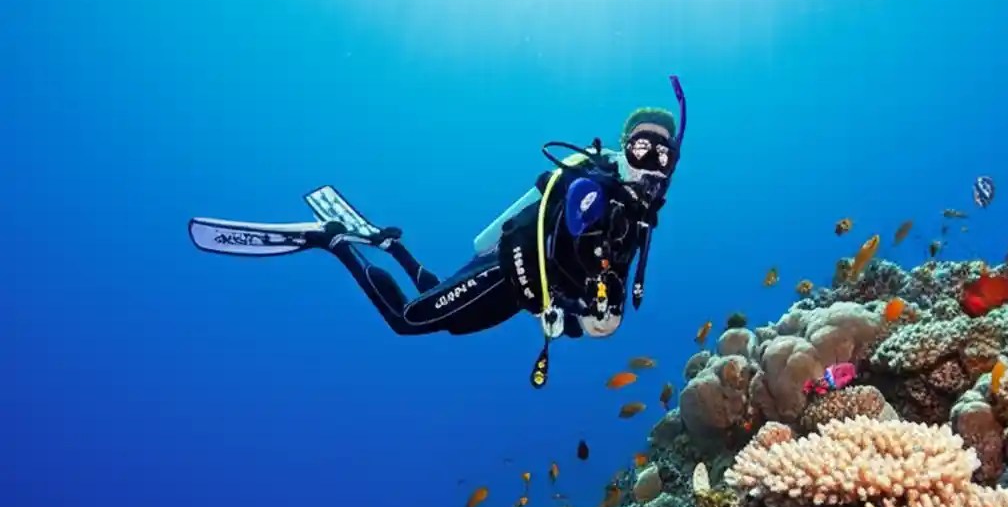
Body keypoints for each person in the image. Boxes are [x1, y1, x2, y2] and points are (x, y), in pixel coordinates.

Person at [189, 76, 687, 387]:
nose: (652, 163)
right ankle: (332, 240)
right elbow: (582, 229)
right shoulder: (597, 189)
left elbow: (598, 281)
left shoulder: (639, 216)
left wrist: (596, 314)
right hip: (506, 275)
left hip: (513, 285)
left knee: (437, 296)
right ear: (625, 149)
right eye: (643, 149)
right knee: (409, 321)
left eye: (663, 155)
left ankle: (391, 245)